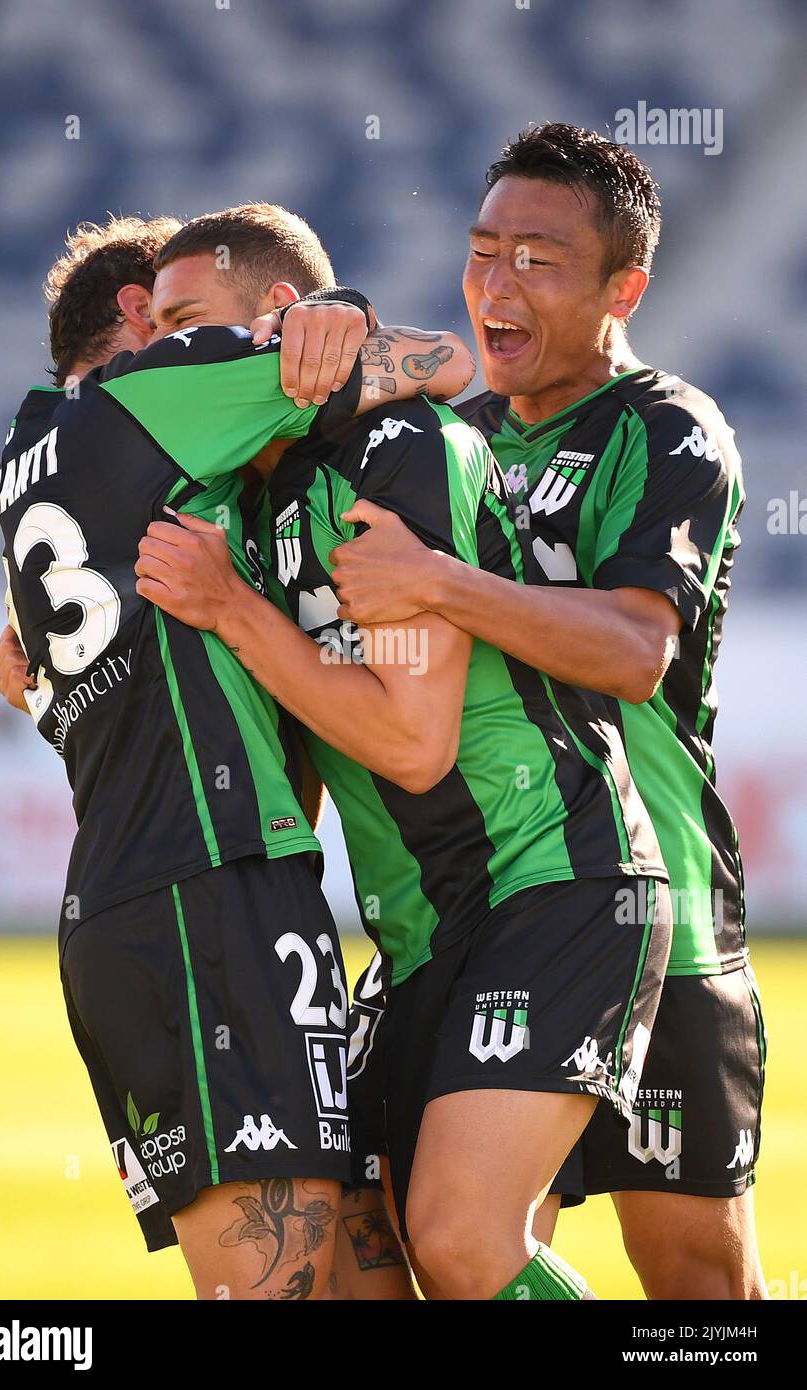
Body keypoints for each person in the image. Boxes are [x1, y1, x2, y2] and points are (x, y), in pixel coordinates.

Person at [133, 238, 674, 1300]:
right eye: (148, 327)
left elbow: (412, 745)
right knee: (359, 1254)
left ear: (276, 323)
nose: (162, 347)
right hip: (419, 930)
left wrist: (233, 610)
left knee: (465, 1240)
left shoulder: (394, 444)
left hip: (549, 879)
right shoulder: (243, 506)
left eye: (183, 317)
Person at [0, 204, 472, 1300]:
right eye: (172, 318)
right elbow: (439, 362)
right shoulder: (169, 389)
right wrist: (332, 319)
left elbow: (33, 661)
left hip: (138, 901)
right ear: (136, 318)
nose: (188, 336)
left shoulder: (25, 461)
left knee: (366, 1279)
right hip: (209, 896)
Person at [326, 124, 767, 1300]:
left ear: (623, 286)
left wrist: (440, 582)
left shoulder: (665, 429)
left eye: (537, 258)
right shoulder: (444, 444)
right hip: (480, 903)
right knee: (453, 1246)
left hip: (649, 897)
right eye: (481, 253)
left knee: (692, 1278)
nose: (494, 284)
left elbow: (631, 647)